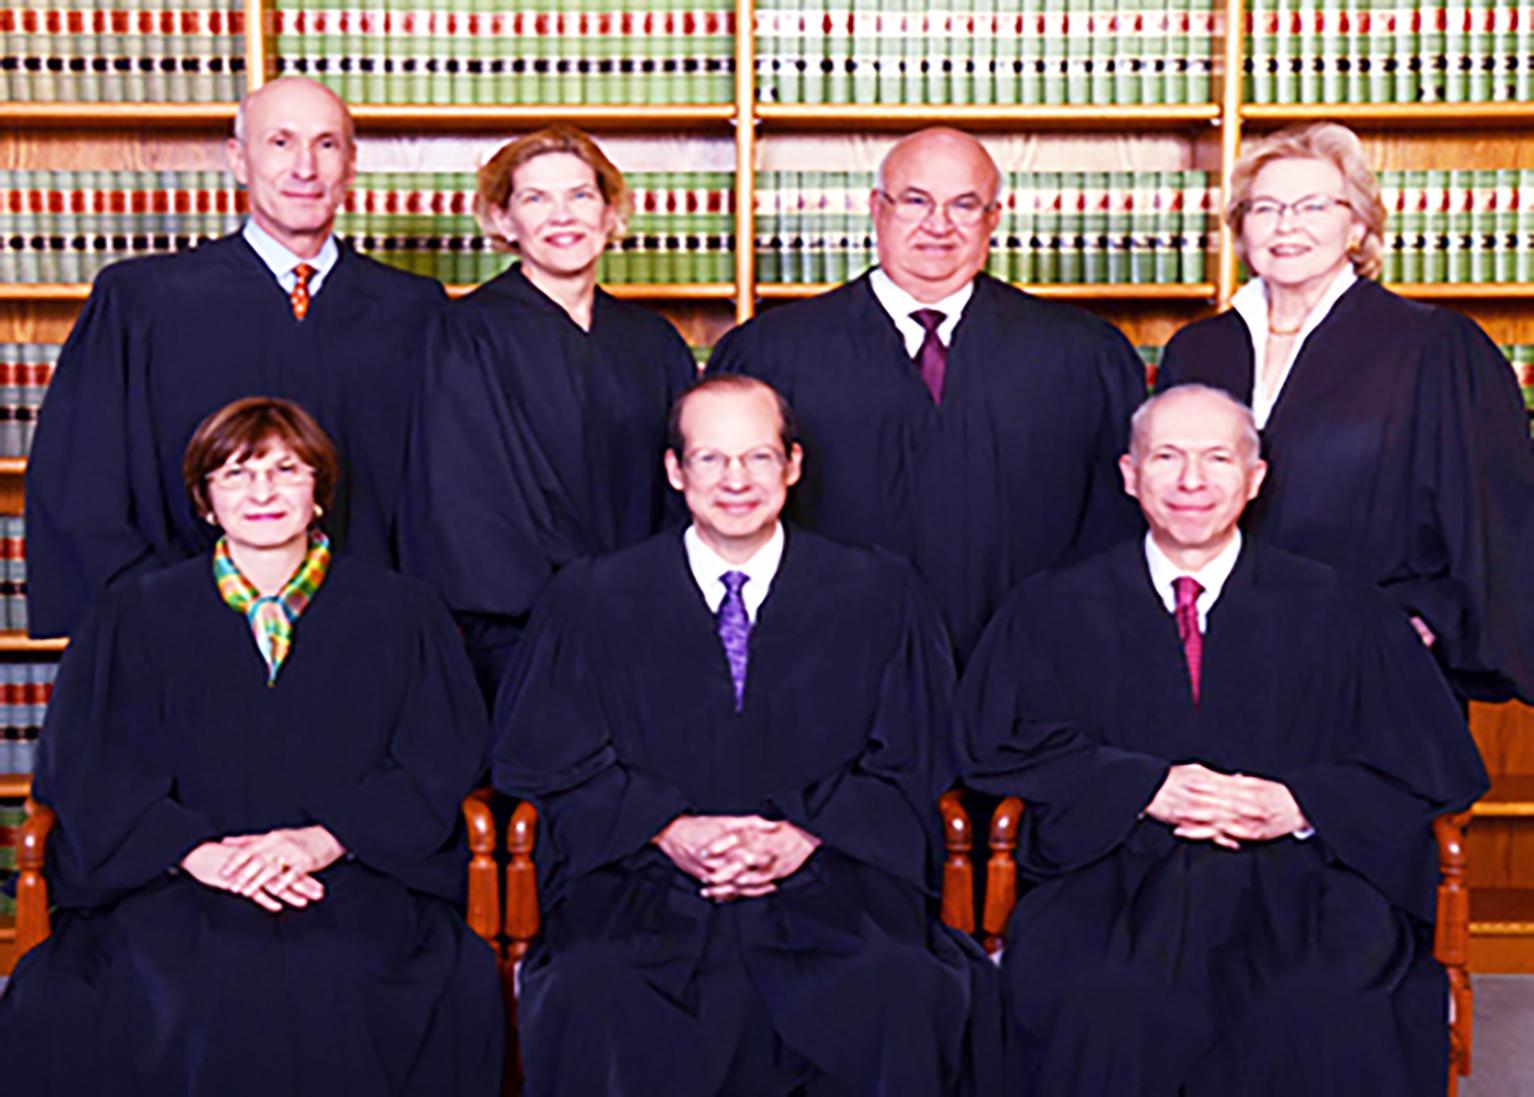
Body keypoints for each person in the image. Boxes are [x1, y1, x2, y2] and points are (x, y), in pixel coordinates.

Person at [959, 384, 1489, 1096]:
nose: (1191, 482)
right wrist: (1143, 786)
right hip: (1116, 870)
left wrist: (1298, 802)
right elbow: (993, 741)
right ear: (1127, 473)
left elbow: (1431, 762)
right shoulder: (1050, 607)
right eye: (1167, 457)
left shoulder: (1345, 609)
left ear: (1256, 477)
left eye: (1217, 458)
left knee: (1321, 1003)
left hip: (1302, 875)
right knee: (1102, 998)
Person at [493, 375, 1001, 1097]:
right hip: (643, 879)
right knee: (593, 984)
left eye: (758, 457)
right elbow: (543, 754)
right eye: (711, 459)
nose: (737, 480)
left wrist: (804, 833)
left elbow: (915, 751)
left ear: (793, 465)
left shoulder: (878, 592)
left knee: (898, 982)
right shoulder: (593, 596)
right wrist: (668, 827)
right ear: (675, 471)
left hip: (834, 878)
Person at [0, 398, 501, 1096]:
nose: (261, 492)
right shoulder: (133, 614)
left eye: (285, 470)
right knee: (158, 983)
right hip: (173, 878)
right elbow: (90, 768)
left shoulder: (404, 611)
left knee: (350, 973)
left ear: (320, 491)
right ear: (205, 501)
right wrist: (205, 856)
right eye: (235, 473)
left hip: (353, 873)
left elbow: (437, 758)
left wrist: (319, 842)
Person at [26, 76, 445, 639]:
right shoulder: (143, 302)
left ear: (350, 165)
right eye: (280, 143)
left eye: (326, 145)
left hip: (369, 632)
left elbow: (448, 495)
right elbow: (83, 483)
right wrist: (149, 609)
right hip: (181, 630)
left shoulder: (414, 311)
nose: (305, 168)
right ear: (238, 160)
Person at [708, 127, 1145, 662]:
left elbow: (1115, 529)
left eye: (964, 205)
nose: (939, 226)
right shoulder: (771, 353)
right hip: (827, 666)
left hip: (1034, 673)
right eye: (915, 201)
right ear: (876, 208)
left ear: (994, 218)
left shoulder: (1084, 355)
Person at [1158, 121, 1534, 703]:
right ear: (1240, 228)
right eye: (1265, 208)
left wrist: (1430, 620)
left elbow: (1496, 515)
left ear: (1357, 225)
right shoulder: (1200, 348)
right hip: (1217, 662)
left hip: (1374, 661)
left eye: (1313, 205)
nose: (1287, 226)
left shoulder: (1432, 347)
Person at [400, 125, 697, 693]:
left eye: (581, 196)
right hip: (520, 637)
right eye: (536, 199)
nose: (563, 217)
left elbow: (682, 483)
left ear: (611, 213)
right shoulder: (465, 336)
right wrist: (581, 595)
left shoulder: (652, 342)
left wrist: (650, 589)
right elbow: (465, 499)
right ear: (504, 220)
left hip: (646, 621)